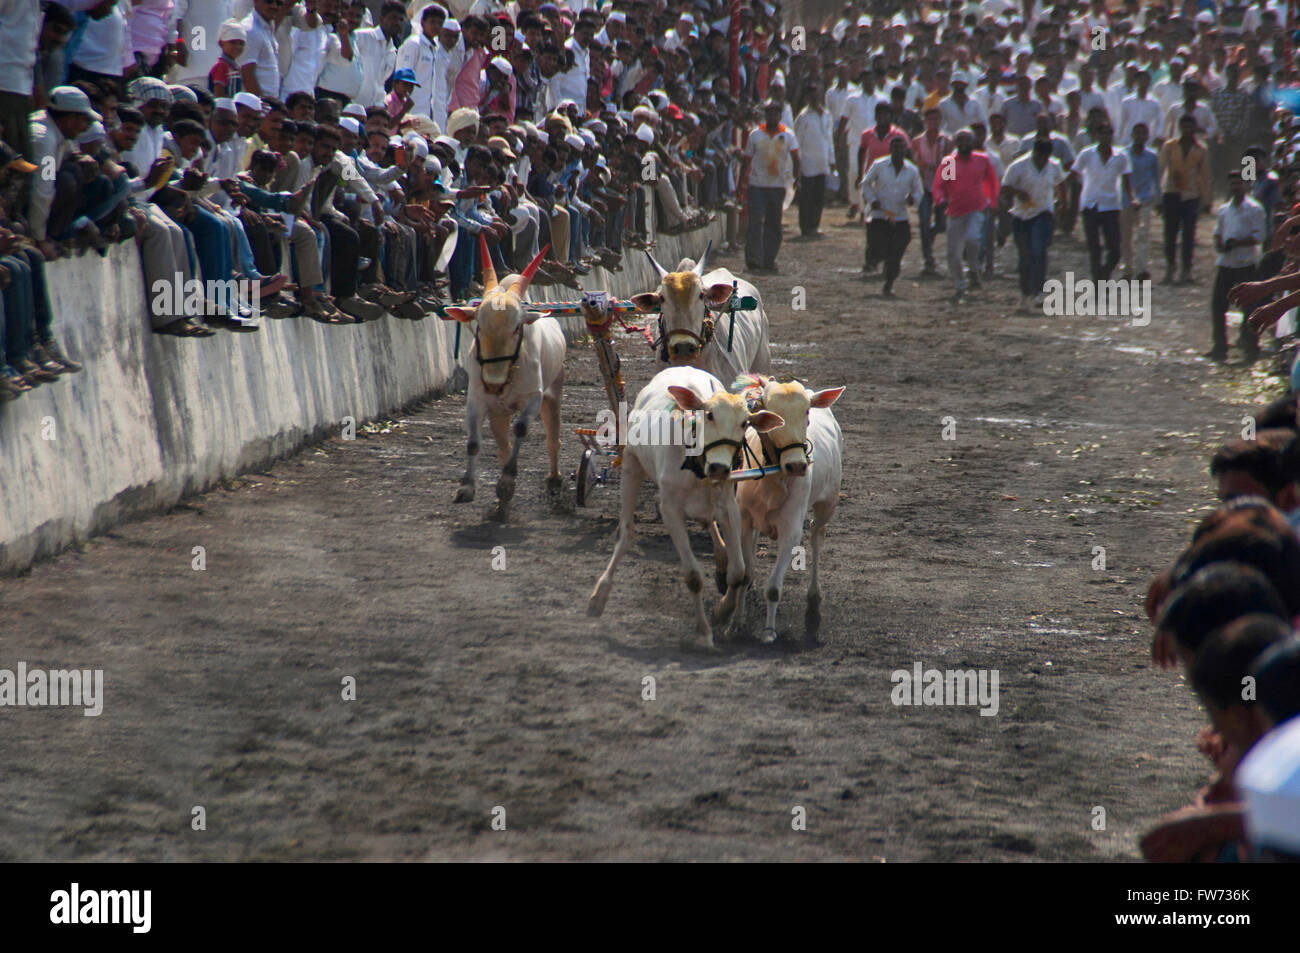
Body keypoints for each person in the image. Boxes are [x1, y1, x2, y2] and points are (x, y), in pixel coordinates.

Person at [931, 127, 998, 301]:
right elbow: (940, 185)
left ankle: (974, 269)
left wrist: (994, 202)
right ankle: (960, 286)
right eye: (960, 140)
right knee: (953, 253)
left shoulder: (981, 160)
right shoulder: (950, 162)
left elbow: (991, 182)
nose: (964, 144)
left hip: (976, 209)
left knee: (972, 239)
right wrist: (940, 200)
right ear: (955, 143)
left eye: (967, 140)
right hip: (954, 212)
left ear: (973, 142)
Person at [1002, 137, 1067, 310]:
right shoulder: (1019, 166)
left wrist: (1062, 204)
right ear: (1034, 153)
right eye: (1039, 157)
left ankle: (1039, 291)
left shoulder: (1054, 165)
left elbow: (1060, 183)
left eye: (1045, 157)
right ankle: (1025, 293)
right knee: (1025, 256)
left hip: (1043, 213)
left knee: (1039, 251)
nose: (1042, 160)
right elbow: (1005, 187)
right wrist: (1018, 192)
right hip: (1022, 215)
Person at [1209, 170, 1267, 363]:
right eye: (1232, 184)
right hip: (1225, 263)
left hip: (1245, 264)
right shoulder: (1224, 209)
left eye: (1239, 184)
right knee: (1218, 307)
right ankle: (1219, 347)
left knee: (1249, 308)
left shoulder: (1254, 209)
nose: (1235, 187)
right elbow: (1218, 232)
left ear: (1245, 185)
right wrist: (1220, 244)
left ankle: (1251, 348)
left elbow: (1259, 236)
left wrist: (1238, 242)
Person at [741, 100, 799, 274]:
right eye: (769, 113)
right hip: (756, 185)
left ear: (780, 116)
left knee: (774, 224)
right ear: (765, 116)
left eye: (775, 113)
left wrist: (797, 178)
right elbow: (746, 160)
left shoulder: (788, 135)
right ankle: (753, 259)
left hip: (777, 186)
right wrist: (740, 184)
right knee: (755, 222)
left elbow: (796, 158)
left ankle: (769, 259)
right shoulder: (755, 135)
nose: (772, 116)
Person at [860, 135, 921, 297]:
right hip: (880, 216)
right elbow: (866, 183)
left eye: (902, 149)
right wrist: (872, 200)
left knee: (897, 249)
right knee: (879, 245)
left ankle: (889, 282)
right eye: (895, 149)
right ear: (890, 150)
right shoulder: (879, 165)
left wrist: (913, 199)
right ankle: (875, 259)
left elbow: (918, 191)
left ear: (906, 151)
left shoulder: (912, 170)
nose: (899, 152)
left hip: (900, 217)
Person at [1072, 120, 1132, 282]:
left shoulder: (1121, 156)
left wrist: (1132, 199)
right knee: (1094, 247)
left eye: (1109, 134)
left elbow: (1126, 179)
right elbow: (1073, 173)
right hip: (1090, 204)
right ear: (1097, 135)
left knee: (1115, 248)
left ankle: (1103, 274)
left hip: (1111, 205)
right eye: (1102, 133)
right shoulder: (1086, 153)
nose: (1106, 137)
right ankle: (1097, 280)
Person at [1159, 114, 1211, 285]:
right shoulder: (1170, 146)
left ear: (1195, 129)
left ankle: (1186, 269)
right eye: (1185, 127)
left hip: (1191, 195)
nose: (1188, 131)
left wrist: (1206, 199)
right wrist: (1158, 196)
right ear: (1180, 128)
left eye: (1191, 127)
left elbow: (1203, 175)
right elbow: (1161, 169)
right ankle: (1170, 267)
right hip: (1171, 192)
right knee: (1170, 233)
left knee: (1189, 234)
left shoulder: (1200, 149)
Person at [793, 83, 832, 239]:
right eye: (812, 96)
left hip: (822, 162)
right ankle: (805, 227)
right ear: (807, 98)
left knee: (818, 197)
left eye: (818, 95)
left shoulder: (827, 114)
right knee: (806, 198)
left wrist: (832, 159)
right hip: (808, 163)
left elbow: (829, 139)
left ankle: (814, 226)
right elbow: (797, 142)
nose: (816, 99)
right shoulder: (803, 117)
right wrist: (798, 164)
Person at [1121, 122, 1159, 281]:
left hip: (1144, 200)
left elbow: (1156, 179)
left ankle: (1142, 269)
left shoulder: (1152, 156)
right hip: (1125, 201)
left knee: (1142, 236)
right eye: (1137, 133)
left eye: (1143, 133)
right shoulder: (1123, 154)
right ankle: (1127, 270)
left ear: (1147, 136)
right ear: (1132, 135)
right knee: (1126, 237)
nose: (1140, 136)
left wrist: (1159, 200)